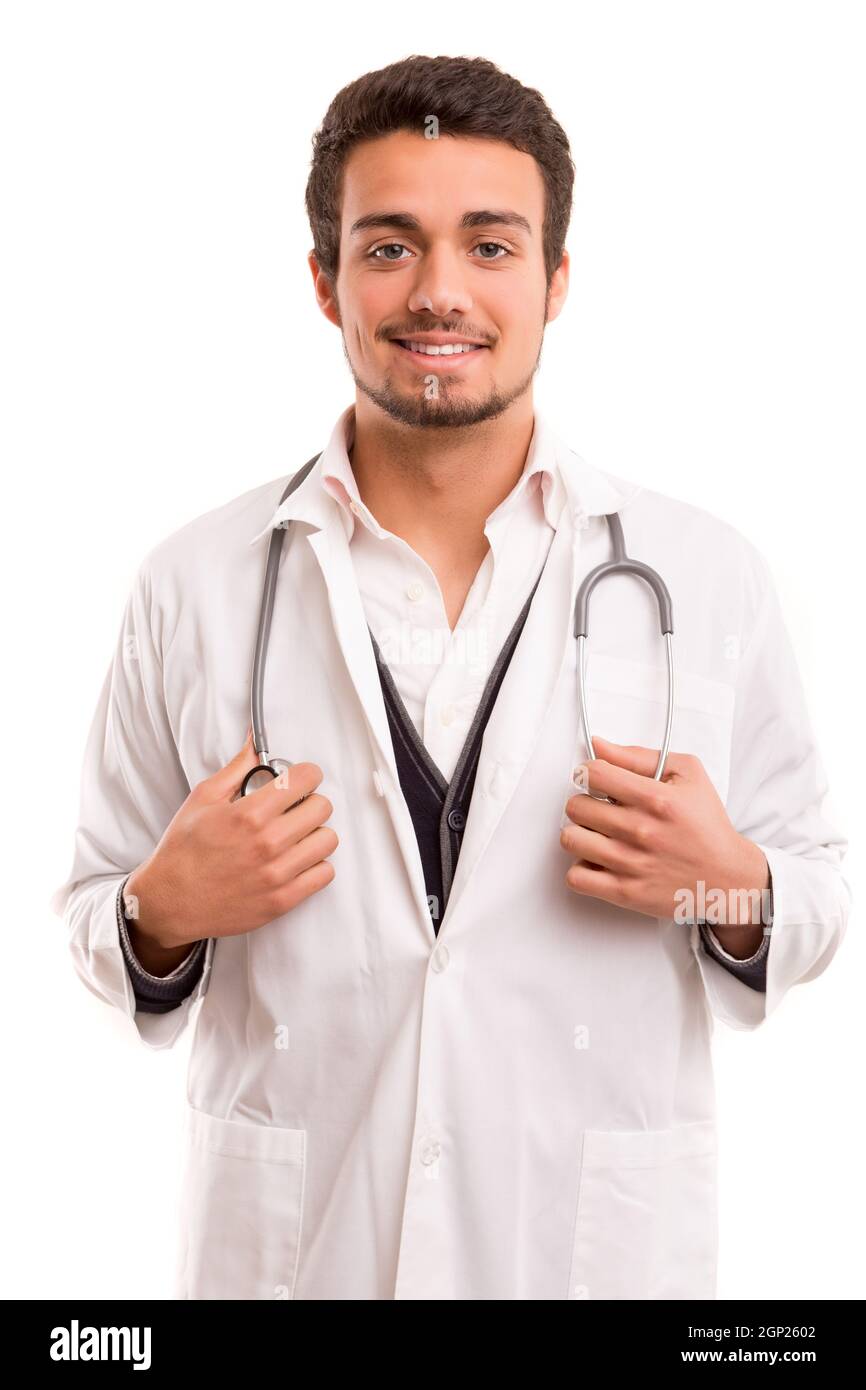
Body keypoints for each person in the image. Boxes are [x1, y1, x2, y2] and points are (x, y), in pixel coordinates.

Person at [50, 53, 850, 1301]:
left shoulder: (704, 577)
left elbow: (812, 907)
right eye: (388, 247)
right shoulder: (193, 584)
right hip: (298, 1267)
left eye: (488, 245)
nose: (438, 294)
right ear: (324, 282)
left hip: (586, 1267)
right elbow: (97, 918)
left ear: (554, 279)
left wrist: (724, 889)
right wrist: (162, 915)